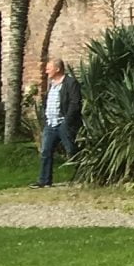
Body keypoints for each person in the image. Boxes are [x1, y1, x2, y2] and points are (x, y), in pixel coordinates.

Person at [35, 57, 80, 188]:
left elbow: (75, 103)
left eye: (49, 68)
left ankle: (83, 175)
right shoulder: (52, 85)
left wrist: (67, 121)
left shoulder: (70, 83)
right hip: (51, 123)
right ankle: (44, 180)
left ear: (57, 69)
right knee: (46, 151)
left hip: (63, 123)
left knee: (72, 150)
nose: (46, 71)